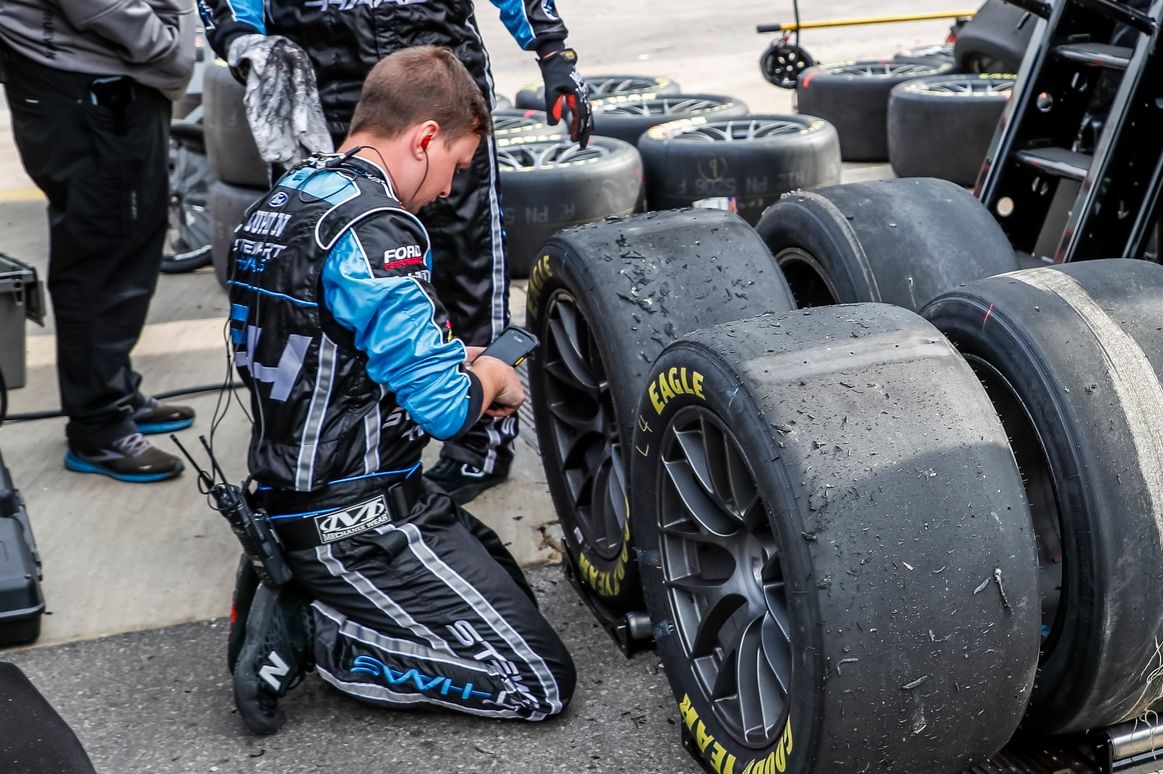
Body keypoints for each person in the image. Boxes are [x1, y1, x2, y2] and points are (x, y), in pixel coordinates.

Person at [226, 46, 575, 735]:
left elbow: (331, 344)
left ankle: (296, 579)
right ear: (424, 138)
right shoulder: (375, 231)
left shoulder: (287, 199)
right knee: (535, 681)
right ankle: (312, 630)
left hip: (315, 489)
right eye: (456, 165)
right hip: (354, 519)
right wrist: (492, 376)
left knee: (514, 595)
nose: (448, 189)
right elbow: (446, 410)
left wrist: (455, 359)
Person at [199, 0, 594, 504]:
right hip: (324, 92)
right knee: (323, 279)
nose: (446, 189)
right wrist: (240, 38)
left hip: (436, 88)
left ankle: (476, 444)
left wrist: (552, 49)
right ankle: (346, 456)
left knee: (461, 268)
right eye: (453, 174)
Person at [0, 0, 198, 482]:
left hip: (101, 78)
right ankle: (99, 428)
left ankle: (114, 394)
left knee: (126, 242)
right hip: (81, 83)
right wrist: (165, 47)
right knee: (101, 256)